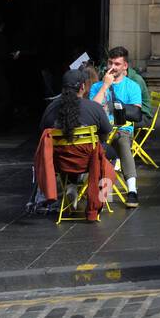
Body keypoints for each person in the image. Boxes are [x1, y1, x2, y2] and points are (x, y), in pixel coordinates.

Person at [38, 68, 114, 221]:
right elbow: (107, 131)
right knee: (111, 153)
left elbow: (43, 133)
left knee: (67, 148)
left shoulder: (51, 108)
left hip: (60, 163)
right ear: (83, 87)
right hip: (88, 162)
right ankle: (103, 197)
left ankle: (71, 186)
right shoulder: (94, 108)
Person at [90, 46, 142, 207]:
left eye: (117, 64)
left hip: (122, 129)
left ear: (125, 66)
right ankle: (101, 193)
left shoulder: (132, 86)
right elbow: (92, 109)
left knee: (123, 142)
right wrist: (105, 86)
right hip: (100, 130)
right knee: (96, 148)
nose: (112, 67)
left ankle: (132, 190)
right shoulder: (96, 87)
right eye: (110, 63)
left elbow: (136, 114)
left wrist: (117, 106)